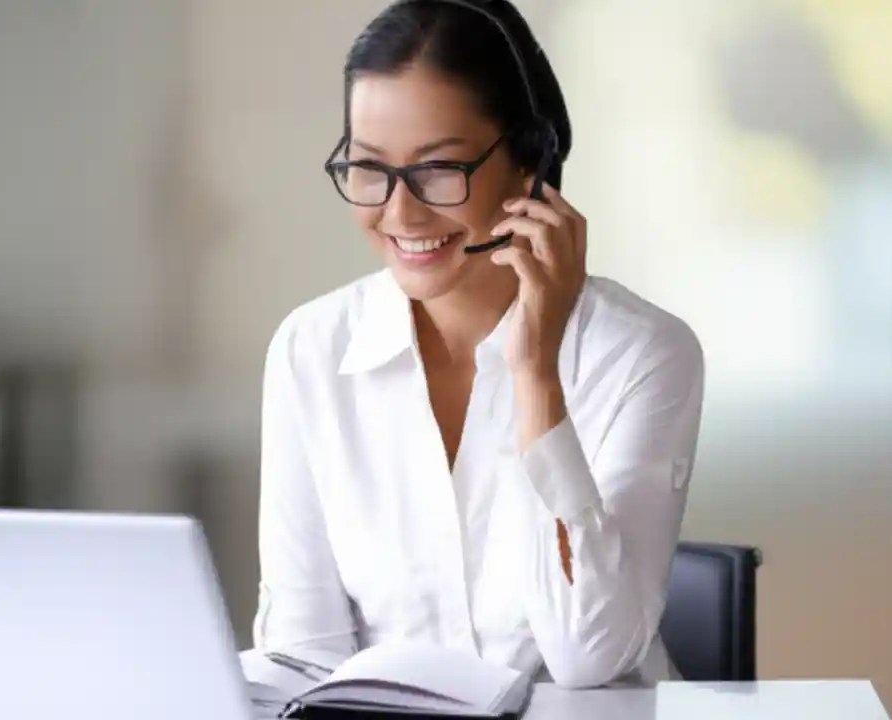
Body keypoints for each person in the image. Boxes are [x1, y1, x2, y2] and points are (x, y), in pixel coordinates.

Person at [252, 0, 703, 688]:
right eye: (369, 168)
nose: (400, 211)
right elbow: (302, 655)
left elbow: (589, 656)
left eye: (437, 169)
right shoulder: (310, 350)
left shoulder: (641, 354)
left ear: (528, 162)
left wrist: (536, 375)